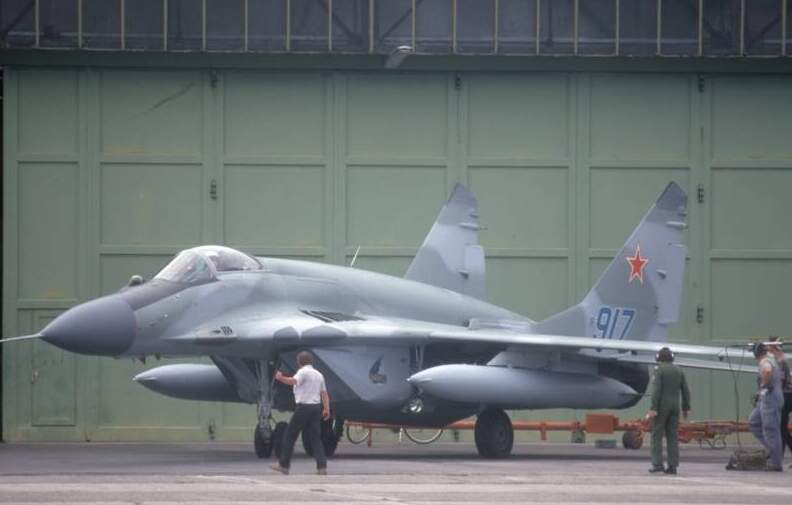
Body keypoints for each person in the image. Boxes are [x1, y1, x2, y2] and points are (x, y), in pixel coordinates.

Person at [270, 351, 331, 475]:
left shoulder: (302, 372)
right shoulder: (319, 374)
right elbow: (324, 393)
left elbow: (294, 381)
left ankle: (284, 465)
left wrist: (280, 378)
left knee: (289, 435)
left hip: (303, 407)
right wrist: (326, 409)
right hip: (315, 407)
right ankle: (322, 466)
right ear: (311, 361)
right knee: (315, 438)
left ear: (299, 362)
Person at [646, 347, 690, 475]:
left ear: (658, 358)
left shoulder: (658, 370)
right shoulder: (679, 370)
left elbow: (656, 391)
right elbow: (685, 390)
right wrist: (686, 407)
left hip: (662, 406)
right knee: (673, 436)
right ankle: (673, 466)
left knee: (656, 435)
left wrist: (653, 408)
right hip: (675, 406)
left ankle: (657, 463)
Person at [748, 342, 784, 472]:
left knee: (771, 430)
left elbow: (767, 371)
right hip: (766, 399)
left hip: (770, 399)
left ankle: (776, 463)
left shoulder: (765, 361)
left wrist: (764, 384)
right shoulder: (771, 359)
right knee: (754, 422)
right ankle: (772, 450)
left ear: (756, 353)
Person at [767, 337, 792, 463]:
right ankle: (778, 454)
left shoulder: (780, 360)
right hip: (785, 394)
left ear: (774, 347)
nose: (768, 349)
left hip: (786, 395)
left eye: (769, 346)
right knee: (781, 427)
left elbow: (781, 381)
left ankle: (778, 455)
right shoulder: (779, 359)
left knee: (780, 426)